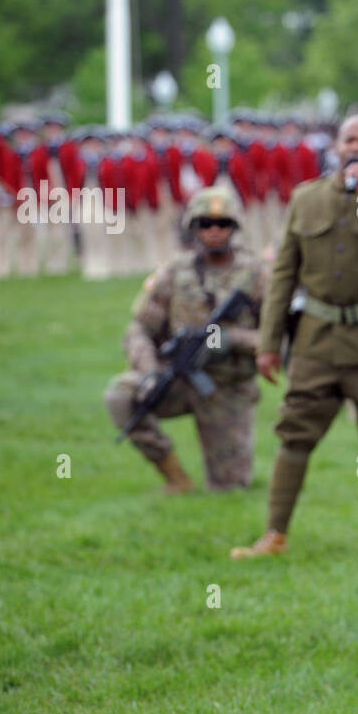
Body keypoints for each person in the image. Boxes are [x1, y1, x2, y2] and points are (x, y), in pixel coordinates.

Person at [233, 114, 358, 560]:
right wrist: (268, 344)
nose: (356, 148)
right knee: (295, 434)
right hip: (316, 341)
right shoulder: (305, 200)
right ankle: (275, 535)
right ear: (336, 148)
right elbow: (283, 275)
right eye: (349, 140)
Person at [103, 186, 267, 493]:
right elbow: (138, 328)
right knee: (121, 397)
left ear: (235, 228)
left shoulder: (257, 274)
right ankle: (176, 477)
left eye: (223, 224)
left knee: (230, 488)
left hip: (228, 387)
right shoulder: (175, 272)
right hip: (178, 377)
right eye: (206, 224)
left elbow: (277, 337)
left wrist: (232, 338)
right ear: (194, 228)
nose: (214, 231)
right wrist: (150, 370)